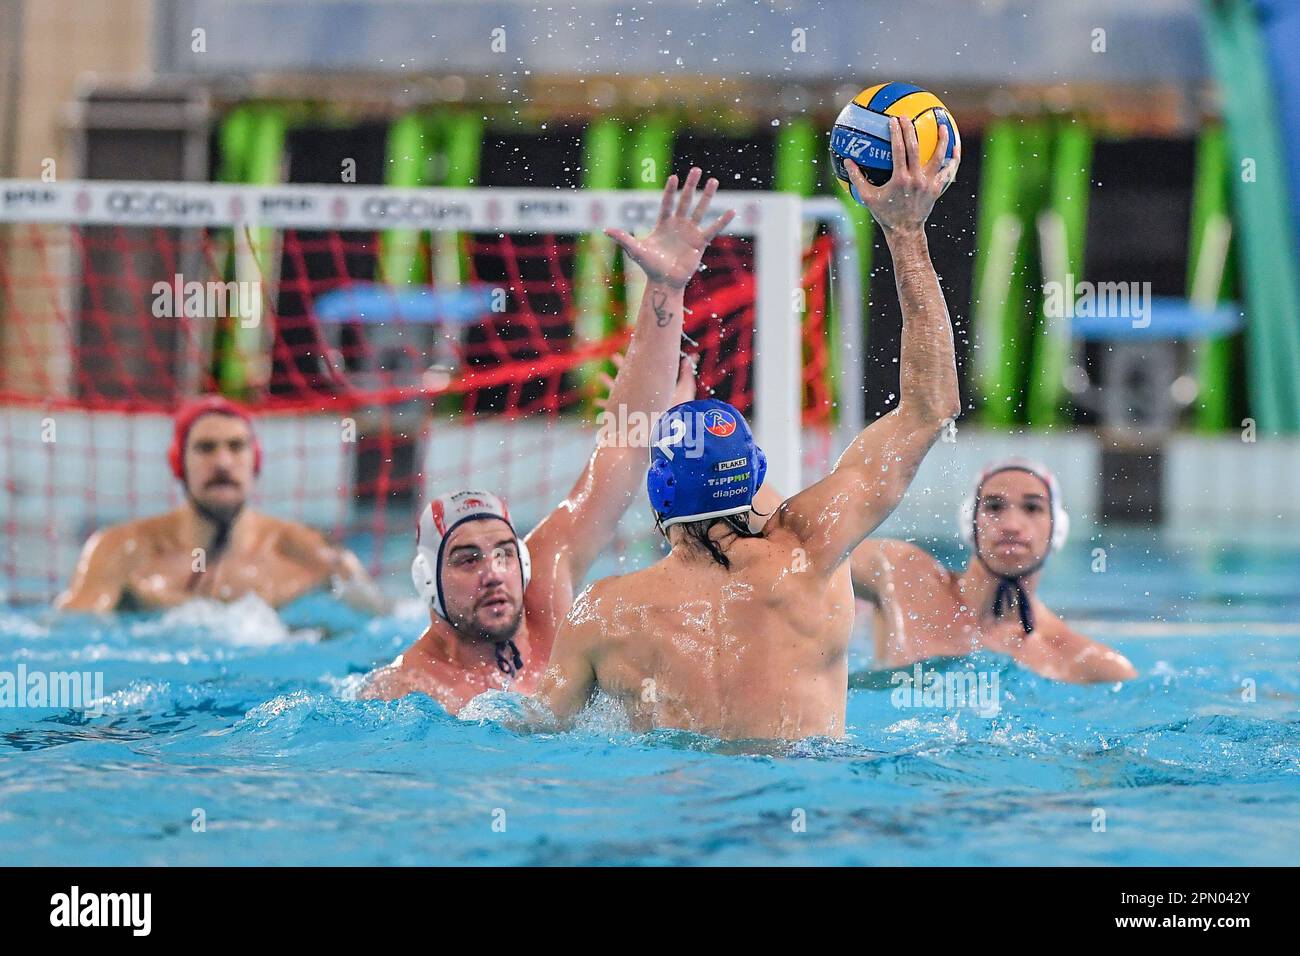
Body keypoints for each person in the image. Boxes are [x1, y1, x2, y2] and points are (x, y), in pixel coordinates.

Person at [534, 116, 962, 741]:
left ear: (659, 501)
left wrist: (663, 291)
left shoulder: (604, 613)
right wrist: (905, 233)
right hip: (804, 798)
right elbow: (929, 407)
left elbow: (537, 736)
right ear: (757, 478)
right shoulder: (811, 553)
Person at [359, 168, 735, 713]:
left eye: (505, 554)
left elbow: (624, 447)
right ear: (428, 584)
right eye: (466, 560)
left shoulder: (545, 591)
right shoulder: (403, 692)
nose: (494, 573)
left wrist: (666, 288)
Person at [56, 395, 387, 614]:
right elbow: (71, 634)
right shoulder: (121, 549)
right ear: (179, 464)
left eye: (236, 446)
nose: (223, 462)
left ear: (254, 461)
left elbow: (379, 624)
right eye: (206, 448)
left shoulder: (310, 553)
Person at [849, 458, 1137, 683]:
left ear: (1057, 529)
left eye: (1032, 508)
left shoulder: (1087, 663)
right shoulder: (901, 573)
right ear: (969, 523)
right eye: (994, 507)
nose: (1011, 524)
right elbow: (816, 558)